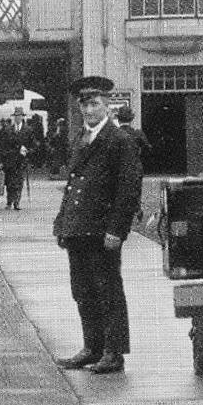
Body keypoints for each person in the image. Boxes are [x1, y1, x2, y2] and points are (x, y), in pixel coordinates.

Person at [53, 76, 142, 375]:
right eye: (84, 104)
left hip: (102, 230)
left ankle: (113, 353)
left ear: (107, 105)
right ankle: (92, 347)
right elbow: (73, 184)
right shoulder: (81, 137)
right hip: (78, 228)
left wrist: (117, 230)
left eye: (95, 104)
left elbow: (128, 190)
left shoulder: (120, 140)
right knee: (83, 290)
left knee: (108, 290)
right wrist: (62, 224)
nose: (89, 109)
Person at [0, 107, 36, 210]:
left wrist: (27, 151)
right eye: (16, 116)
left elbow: (33, 145)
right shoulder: (8, 130)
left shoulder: (28, 130)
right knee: (10, 182)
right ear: (14, 117)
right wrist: (1, 161)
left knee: (19, 182)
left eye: (19, 116)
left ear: (22, 117)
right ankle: (9, 202)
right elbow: (2, 146)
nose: (17, 118)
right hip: (9, 160)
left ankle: (17, 202)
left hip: (21, 161)